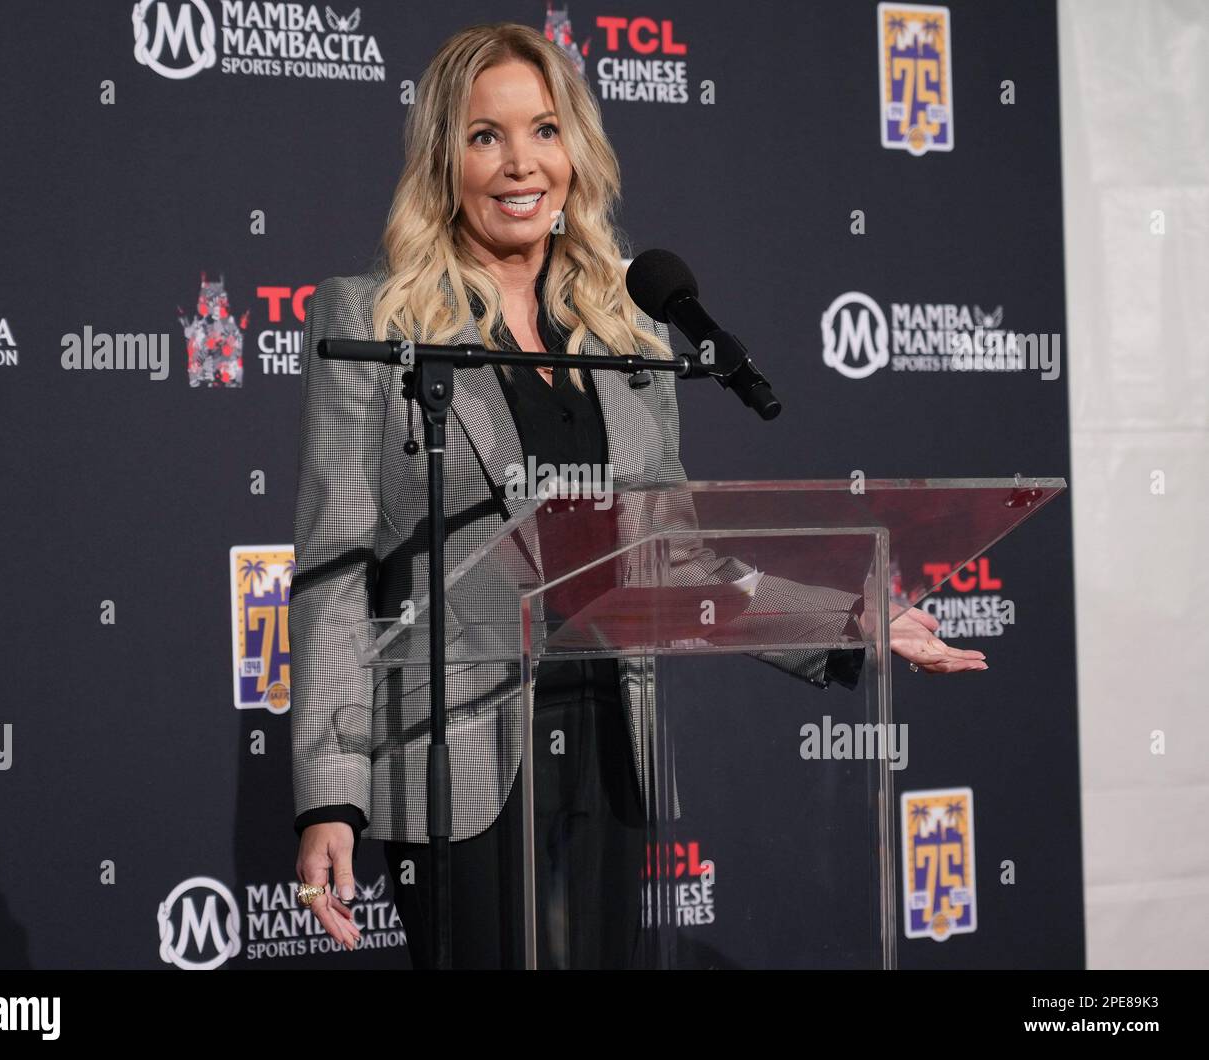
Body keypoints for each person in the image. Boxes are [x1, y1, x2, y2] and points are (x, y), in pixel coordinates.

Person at [290, 22, 987, 970]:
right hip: (453, 760)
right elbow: (333, 571)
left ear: (577, 148)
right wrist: (330, 792)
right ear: (442, 158)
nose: (518, 163)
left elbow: (678, 563)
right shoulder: (373, 322)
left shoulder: (630, 336)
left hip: (609, 741)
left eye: (543, 130)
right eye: (485, 136)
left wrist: (854, 615)